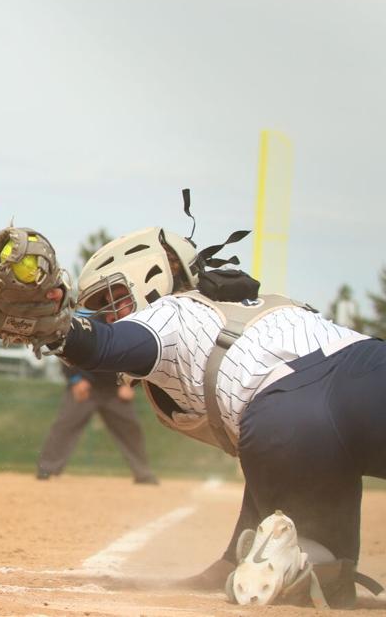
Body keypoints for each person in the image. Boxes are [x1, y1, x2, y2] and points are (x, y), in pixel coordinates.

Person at [51, 226, 384, 606]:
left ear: (150, 278)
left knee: (325, 580)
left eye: (114, 300)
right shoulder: (271, 305)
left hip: (286, 415)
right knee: (334, 579)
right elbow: (264, 480)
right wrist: (227, 562)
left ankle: (295, 561)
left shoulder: (168, 310)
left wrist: (50, 325)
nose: (110, 316)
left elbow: (101, 345)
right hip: (369, 368)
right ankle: (283, 561)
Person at [35, 361, 157, 484]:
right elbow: (65, 352)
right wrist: (75, 380)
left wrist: (129, 382)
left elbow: (134, 355)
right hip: (84, 386)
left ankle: (143, 473)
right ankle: (47, 468)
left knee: (130, 430)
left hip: (116, 389)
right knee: (65, 426)